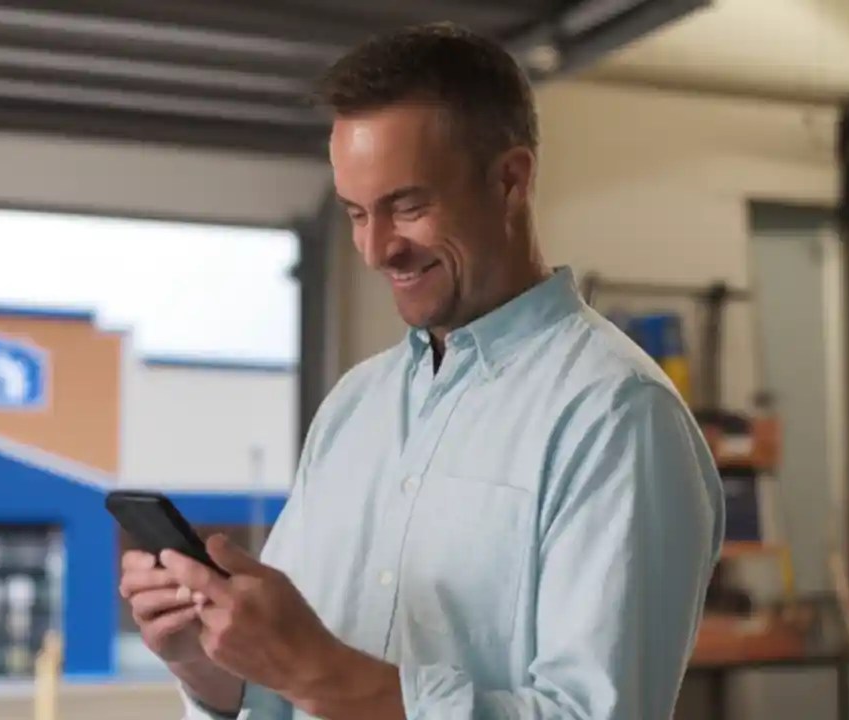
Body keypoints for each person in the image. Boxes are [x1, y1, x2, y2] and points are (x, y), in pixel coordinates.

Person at [119, 22, 724, 720]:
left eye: (408, 206)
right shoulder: (355, 405)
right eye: (355, 213)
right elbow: (285, 694)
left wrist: (324, 675)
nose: (377, 249)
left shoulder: (618, 416)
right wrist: (205, 663)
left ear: (511, 179)